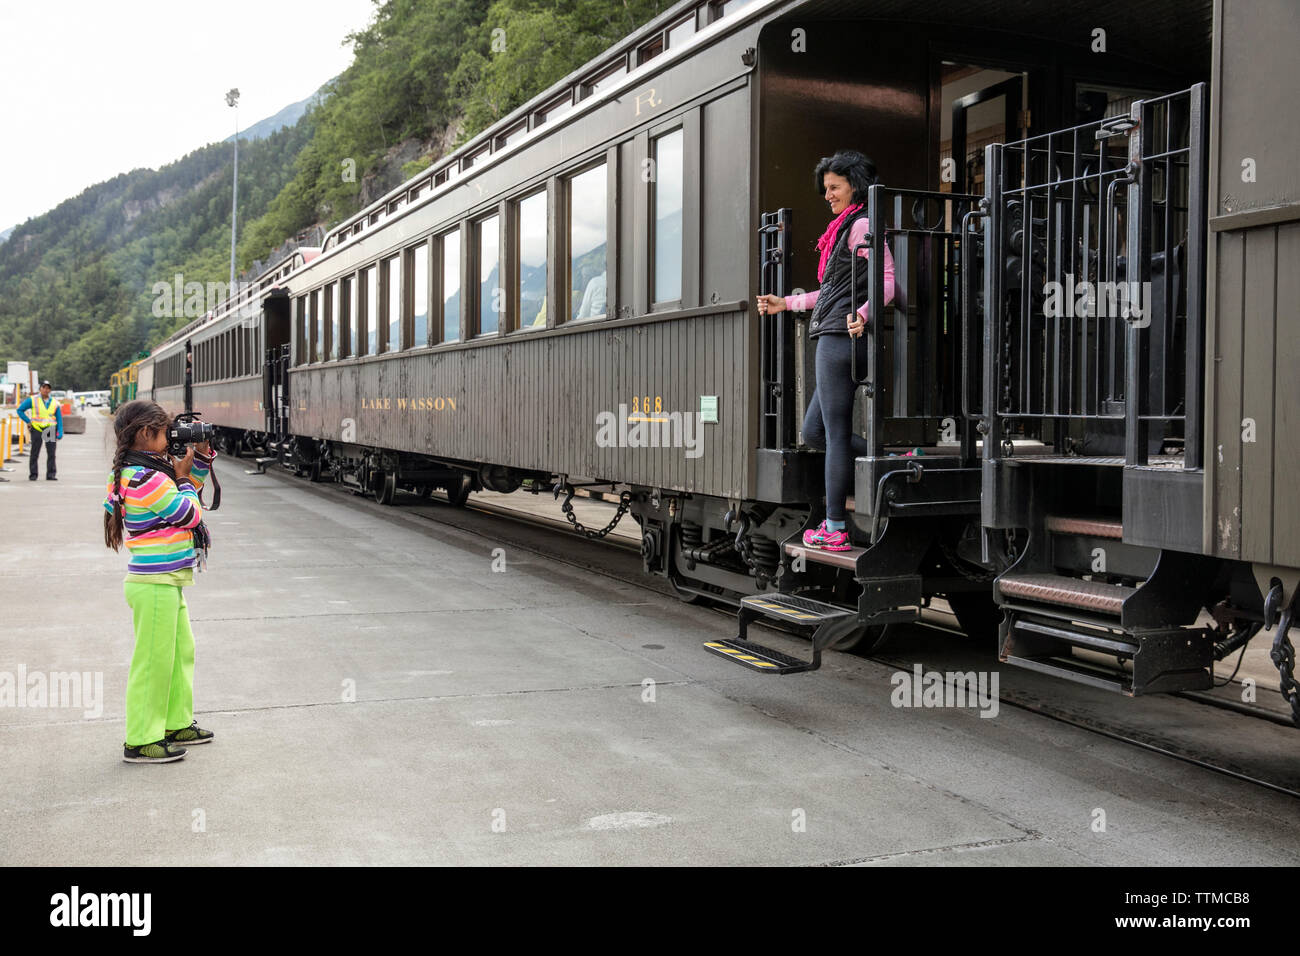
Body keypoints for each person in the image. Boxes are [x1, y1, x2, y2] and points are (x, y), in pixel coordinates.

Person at [756, 150, 895, 552]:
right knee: (814, 431)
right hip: (834, 334)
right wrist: (786, 303)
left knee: (832, 434)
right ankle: (887, 459)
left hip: (842, 339)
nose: (827, 194)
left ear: (855, 184)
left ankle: (835, 526)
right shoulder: (846, 228)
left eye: (834, 187)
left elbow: (888, 281)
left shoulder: (862, 225)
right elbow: (830, 293)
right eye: (826, 188)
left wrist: (864, 314)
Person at [103, 400, 217, 764]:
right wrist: (182, 478)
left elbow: (188, 490)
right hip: (154, 584)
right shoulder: (145, 477)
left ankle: (175, 722)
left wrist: (196, 461)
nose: (170, 436)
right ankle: (141, 739)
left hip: (166, 581)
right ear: (144, 434)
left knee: (180, 652)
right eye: (164, 430)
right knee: (153, 663)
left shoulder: (144, 470)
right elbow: (187, 511)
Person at [16, 380, 63, 480]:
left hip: (50, 428)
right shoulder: (33, 400)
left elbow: (59, 418)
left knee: (51, 453)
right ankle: (33, 474)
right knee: (35, 452)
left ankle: (51, 475)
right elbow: (20, 410)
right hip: (37, 428)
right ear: (40, 388)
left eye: (48, 388)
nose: (46, 390)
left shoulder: (54, 402)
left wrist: (60, 431)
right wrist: (28, 421)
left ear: (50, 390)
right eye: (44, 387)